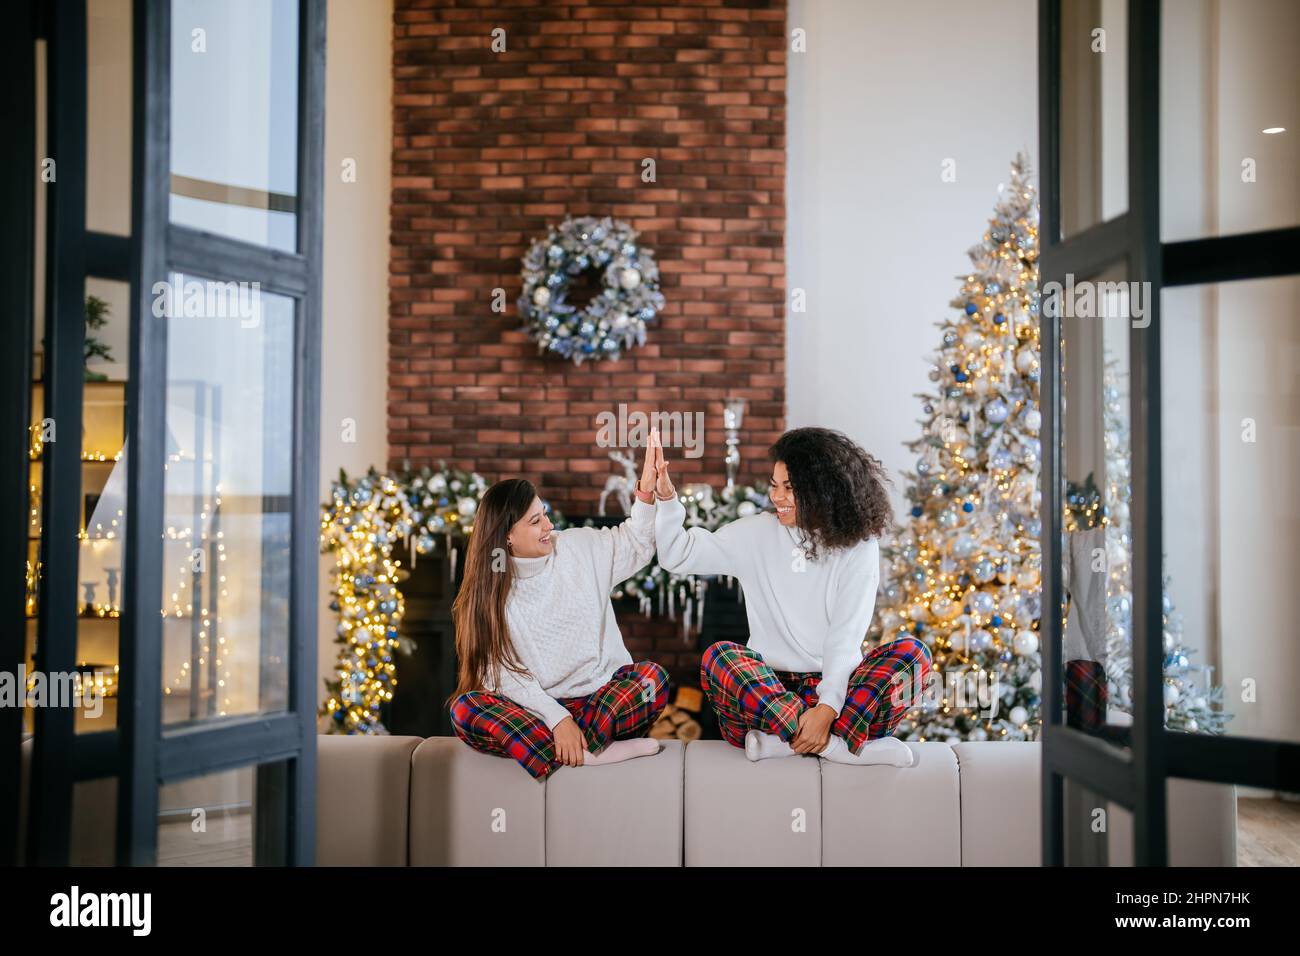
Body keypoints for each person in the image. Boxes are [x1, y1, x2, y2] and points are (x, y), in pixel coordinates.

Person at [652, 426, 930, 766]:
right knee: (720, 658)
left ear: (823, 492)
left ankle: (786, 744)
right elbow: (677, 555)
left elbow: (844, 640)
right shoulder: (756, 533)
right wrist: (666, 500)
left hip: (836, 689)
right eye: (774, 485)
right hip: (768, 696)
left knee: (912, 656)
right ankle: (837, 748)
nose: (777, 497)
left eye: (790, 488)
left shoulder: (859, 547)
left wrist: (826, 709)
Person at [447, 431, 671, 779]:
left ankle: (567, 750)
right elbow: (502, 677)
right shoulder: (491, 593)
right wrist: (558, 719)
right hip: (539, 711)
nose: (549, 526)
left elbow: (636, 543)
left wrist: (644, 491)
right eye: (535, 522)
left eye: (545, 514)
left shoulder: (579, 547)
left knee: (651, 680)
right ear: (506, 536)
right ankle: (595, 753)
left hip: (601, 701)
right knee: (465, 709)